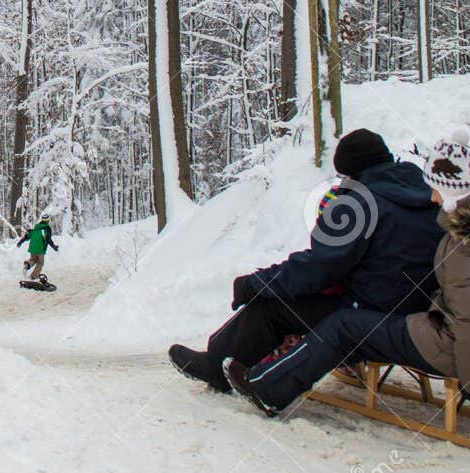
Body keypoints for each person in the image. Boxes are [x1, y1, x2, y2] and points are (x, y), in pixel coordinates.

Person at [228, 135, 470, 422]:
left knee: (345, 325)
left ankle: (268, 390)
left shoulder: (466, 246)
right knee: (355, 318)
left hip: (449, 340)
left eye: (436, 190)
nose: (431, 197)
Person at [168, 128, 441, 394]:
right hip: (418, 313)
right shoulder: (426, 193)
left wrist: (256, 284)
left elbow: (318, 268)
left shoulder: (358, 203)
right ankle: (247, 363)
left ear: (350, 172)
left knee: (271, 307)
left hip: (371, 313)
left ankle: (217, 366)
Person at [16, 215, 60, 290]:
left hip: (32, 247)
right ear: (48, 221)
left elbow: (27, 236)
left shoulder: (36, 228)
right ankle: (33, 276)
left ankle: (27, 265)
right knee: (40, 262)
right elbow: (48, 239)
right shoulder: (47, 228)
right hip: (40, 248)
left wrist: (20, 242)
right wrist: (54, 247)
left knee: (33, 259)